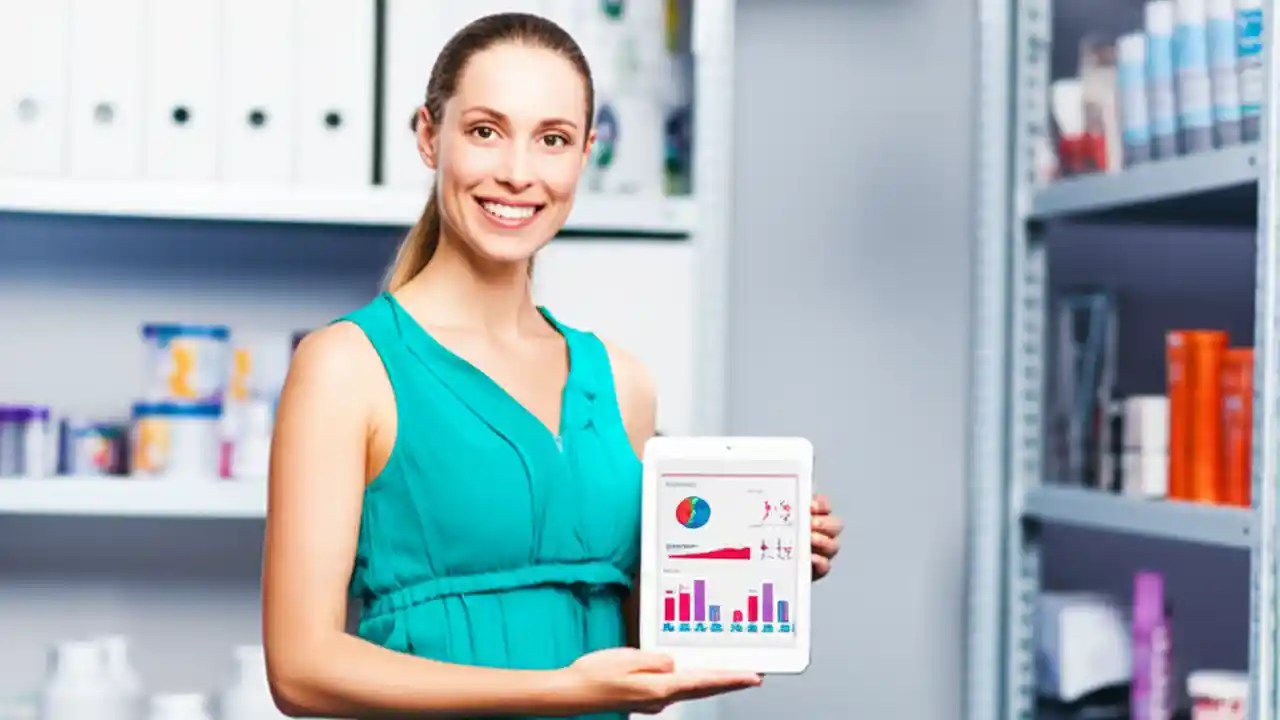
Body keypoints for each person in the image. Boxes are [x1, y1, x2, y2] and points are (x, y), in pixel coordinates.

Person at [261, 12, 844, 719]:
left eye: (553, 140)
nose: (517, 173)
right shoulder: (347, 367)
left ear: (586, 154)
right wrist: (564, 690)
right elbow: (301, 668)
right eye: (485, 131)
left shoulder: (623, 385)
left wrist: (756, 564)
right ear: (427, 135)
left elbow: (637, 660)